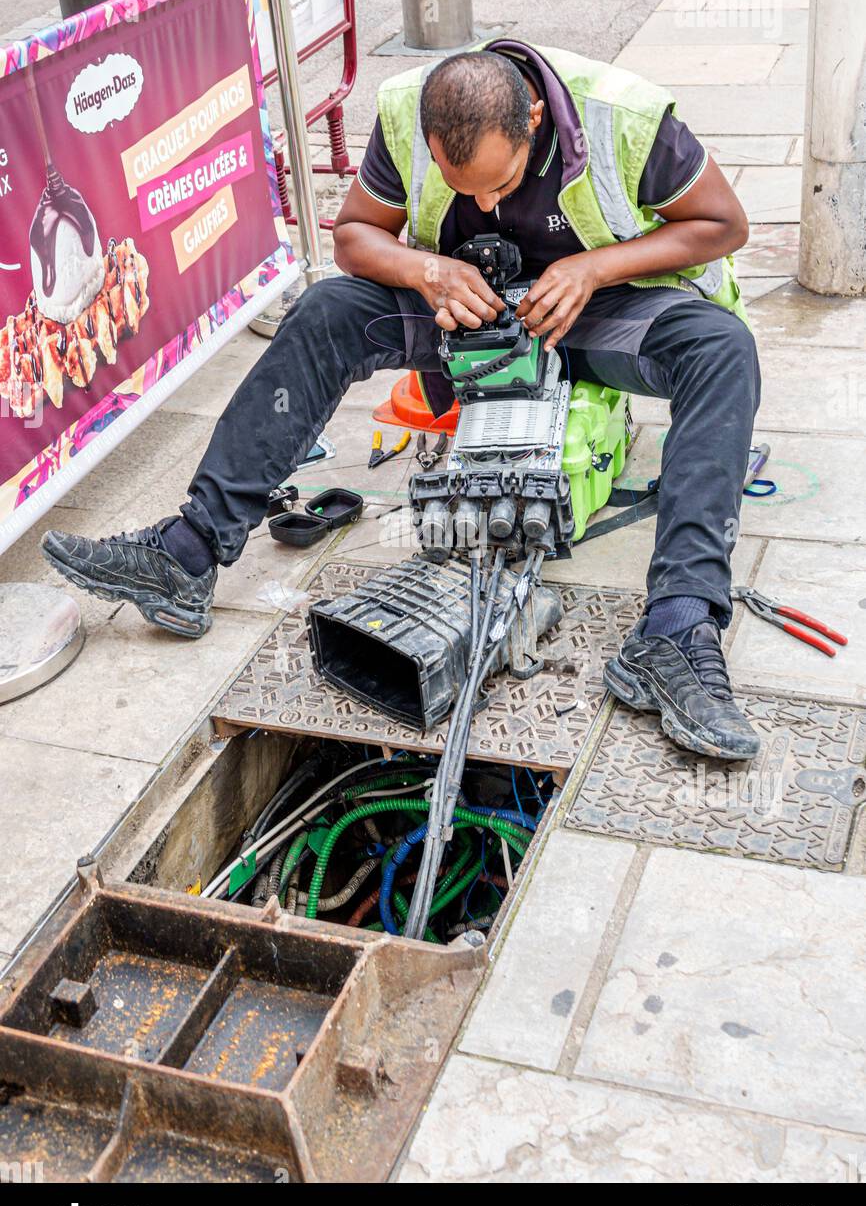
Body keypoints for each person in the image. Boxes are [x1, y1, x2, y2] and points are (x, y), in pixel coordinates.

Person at [42, 40, 761, 760]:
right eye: (464, 188)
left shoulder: (623, 117)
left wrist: (592, 268)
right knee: (328, 310)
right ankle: (188, 551)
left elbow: (723, 225)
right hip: (466, 313)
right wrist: (427, 269)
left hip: (593, 310)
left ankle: (676, 628)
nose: (485, 205)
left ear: (535, 118)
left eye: (502, 182)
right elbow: (355, 236)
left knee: (721, 347)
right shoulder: (406, 113)